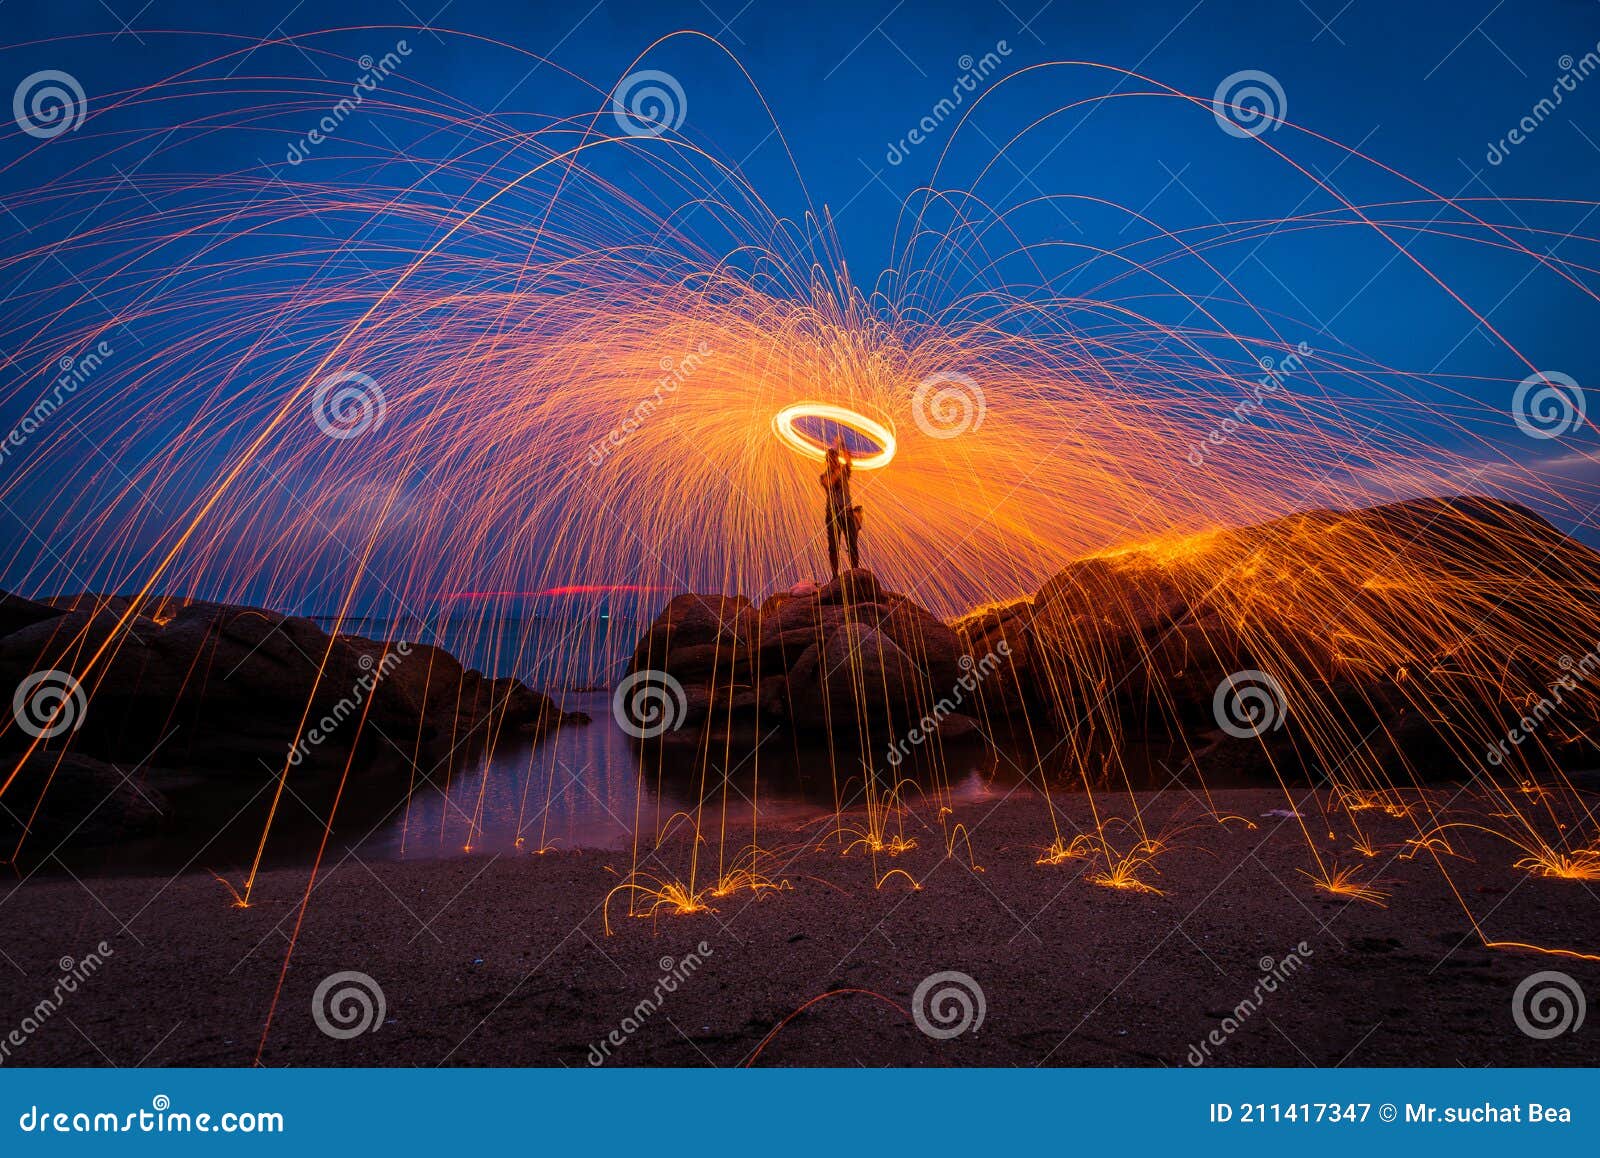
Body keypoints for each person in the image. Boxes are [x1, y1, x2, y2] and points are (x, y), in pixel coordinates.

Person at [820, 436, 861, 578]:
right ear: (827, 462)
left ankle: (855, 572)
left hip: (847, 511)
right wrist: (839, 466)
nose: (834, 461)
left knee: (852, 545)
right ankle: (834, 576)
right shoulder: (824, 477)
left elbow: (849, 459)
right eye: (831, 459)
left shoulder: (844, 471)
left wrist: (843, 446)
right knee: (833, 547)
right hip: (833, 514)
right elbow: (830, 483)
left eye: (835, 458)